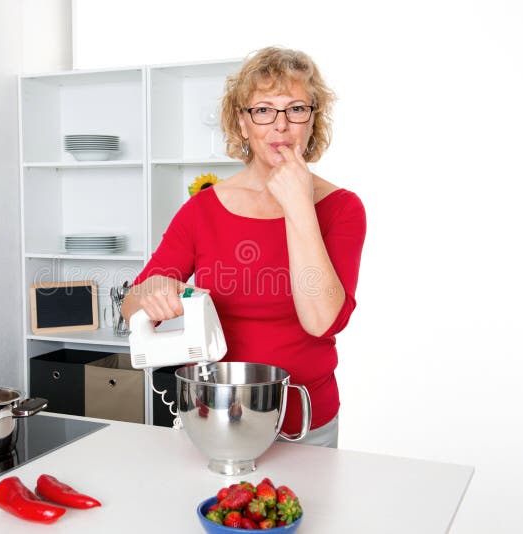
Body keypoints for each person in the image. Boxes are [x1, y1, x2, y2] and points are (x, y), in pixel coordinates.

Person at [121, 46, 366, 447]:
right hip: (214, 417)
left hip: (305, 423)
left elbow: (322, 320)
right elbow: (132, 303)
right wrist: (155, 293)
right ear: (242, 121)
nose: (280, 126)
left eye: (296, 109)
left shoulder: (342, 209)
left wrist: (299, 205)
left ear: (312, 119)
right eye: (264, 110)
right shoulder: (202, 210)